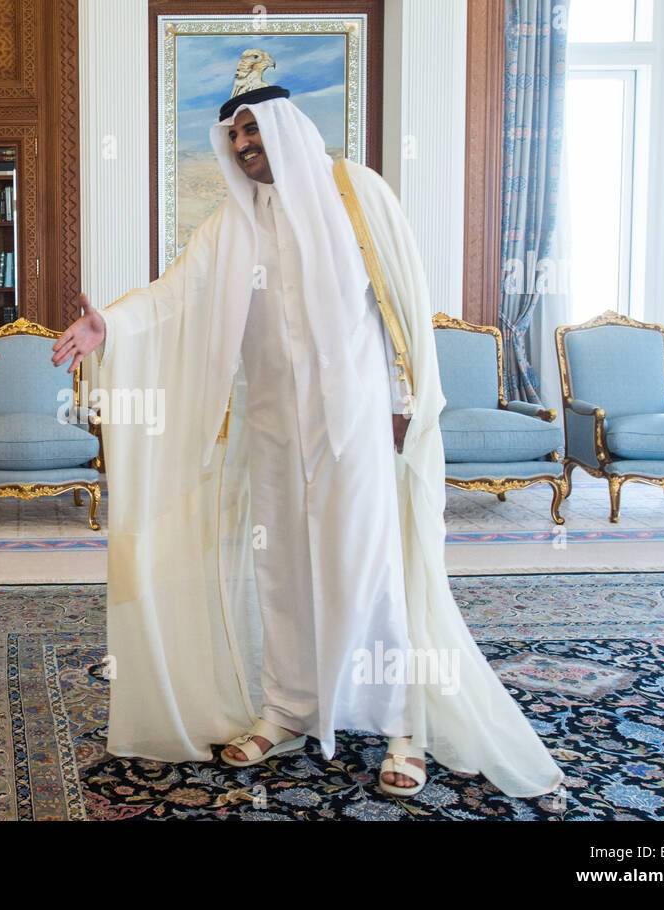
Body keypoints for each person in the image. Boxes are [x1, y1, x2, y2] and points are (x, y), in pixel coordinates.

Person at [53, 77, 563, 799]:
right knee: (283, 572)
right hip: (271, 429)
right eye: (232, 136)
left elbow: (402, 309)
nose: (243, 146)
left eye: (252, 131)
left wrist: (404, 402)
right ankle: (288, 708)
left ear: (286, 128)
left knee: (368, 571)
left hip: (352, 425)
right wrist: (113, 322)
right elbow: (177, 293)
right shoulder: (233, 224)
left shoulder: (356, 195)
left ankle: (400, 726)